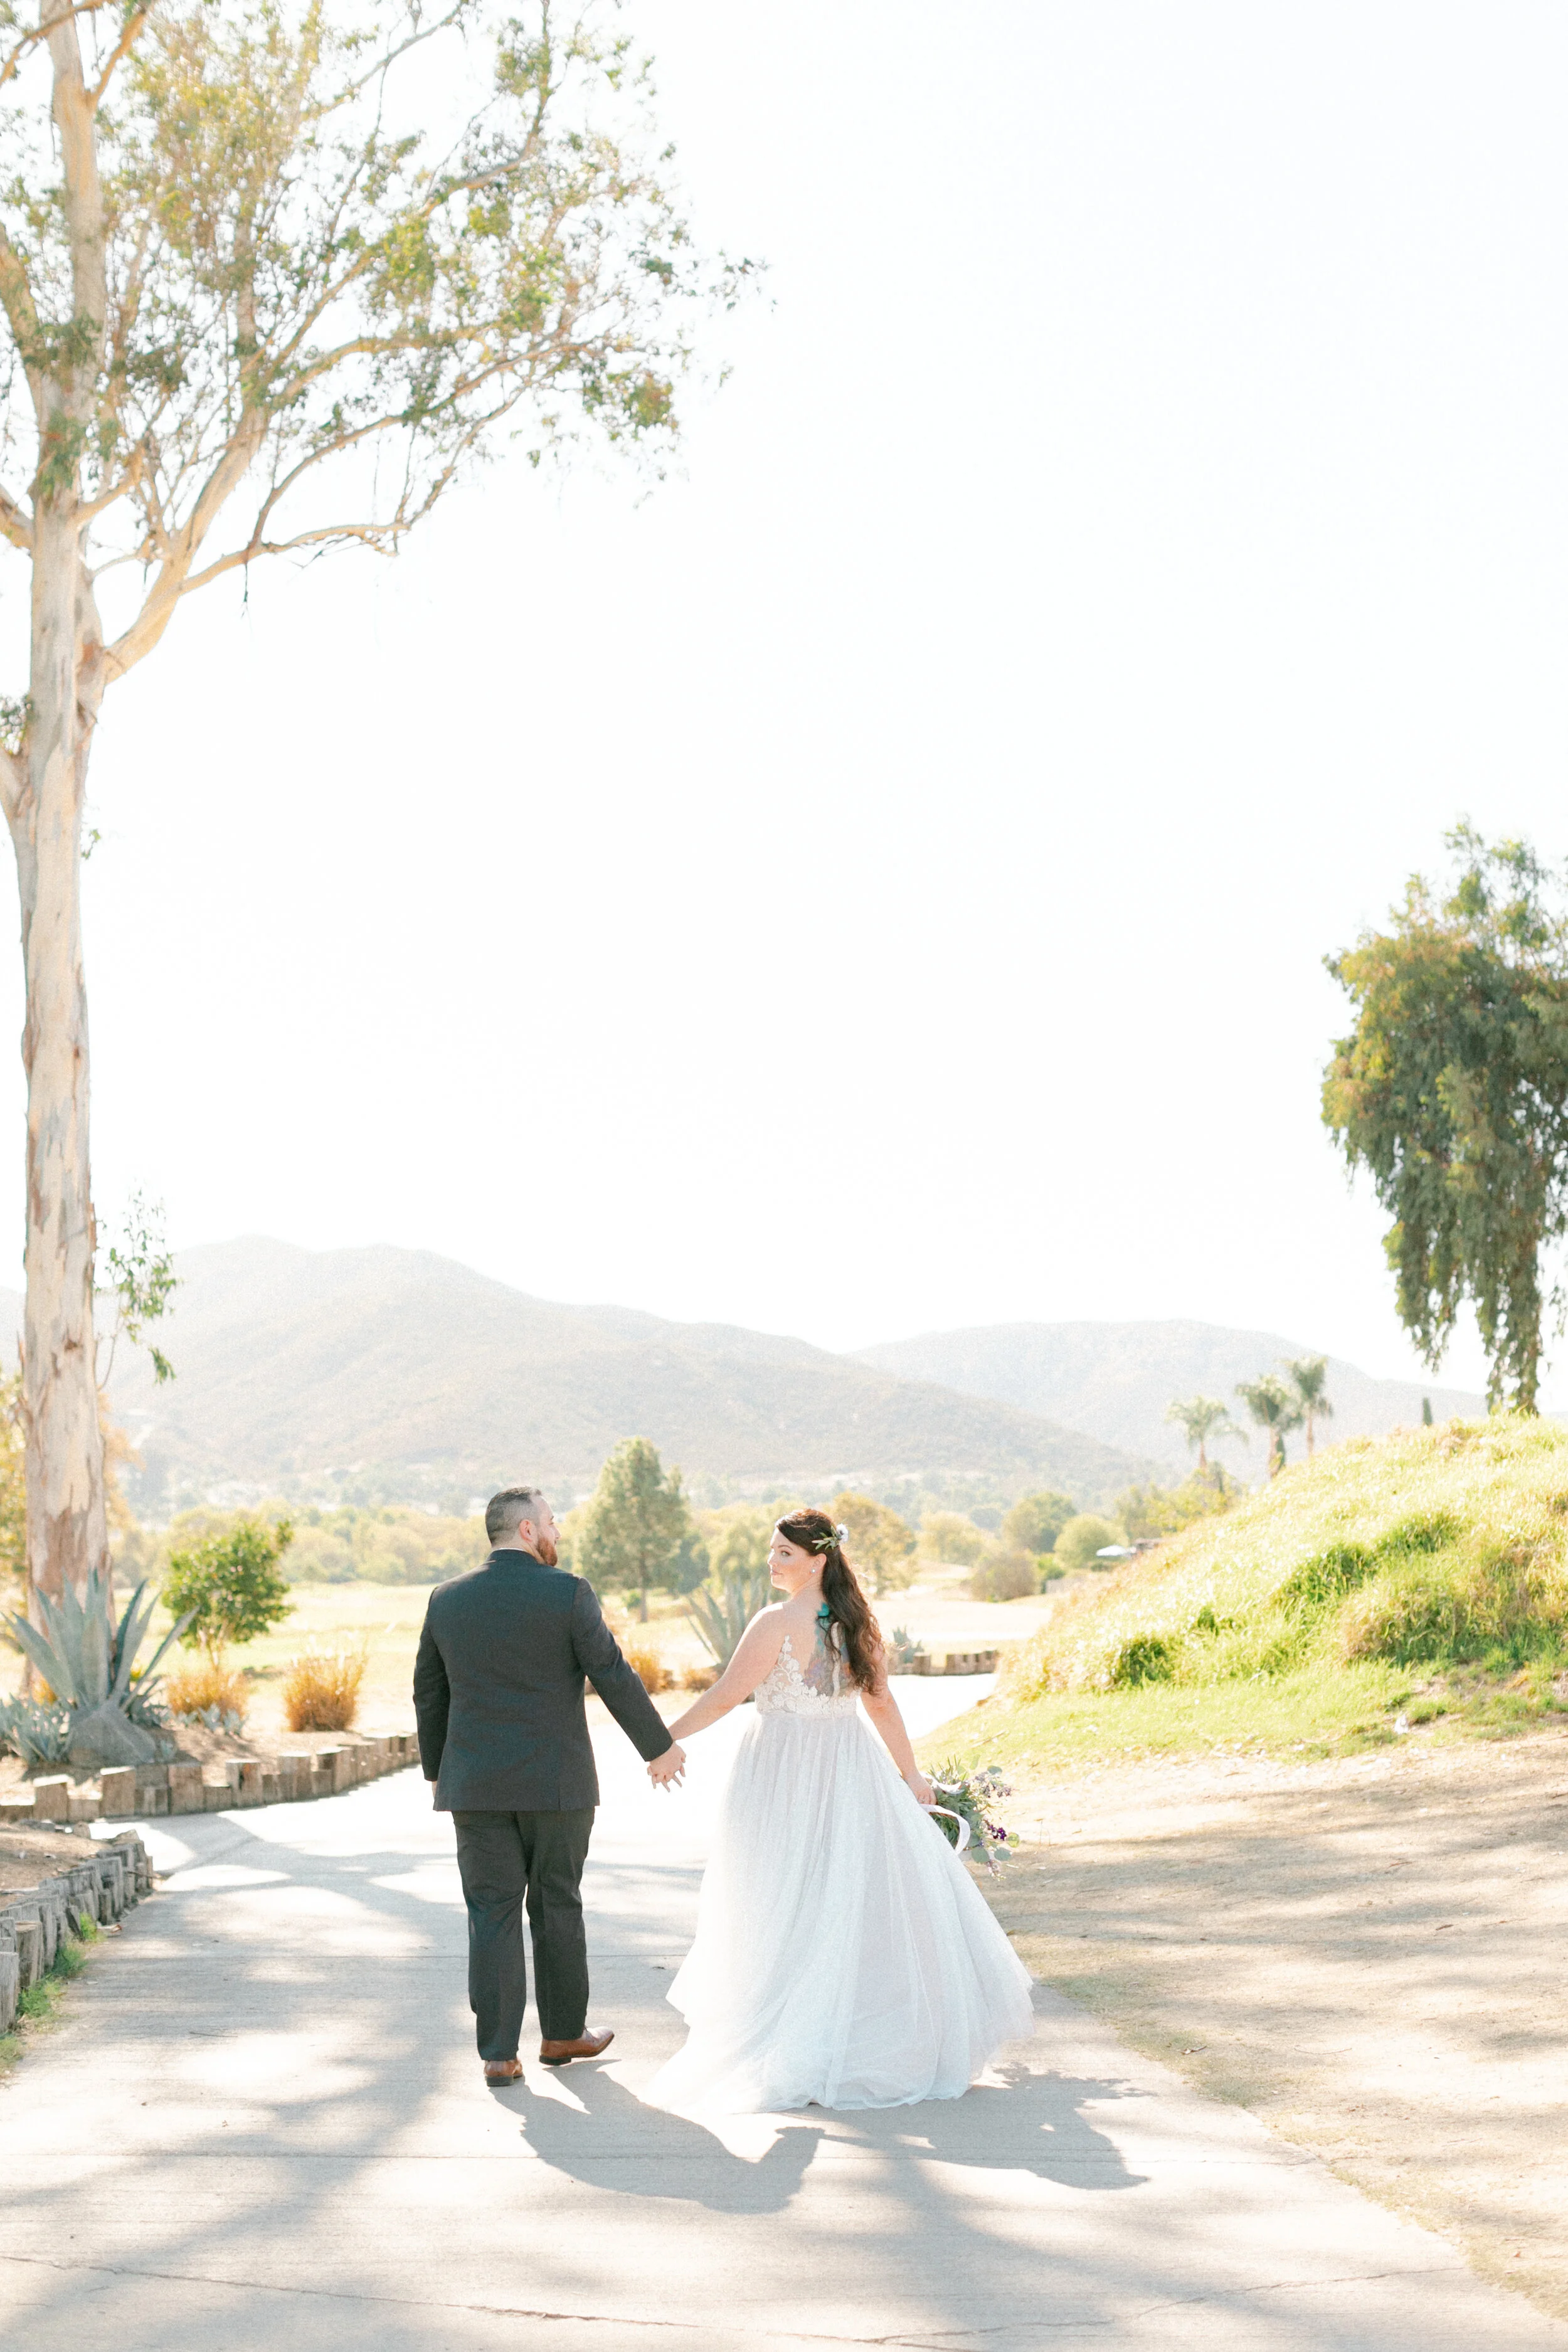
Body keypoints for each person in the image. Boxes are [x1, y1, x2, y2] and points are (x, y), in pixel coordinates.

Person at [642, 1506, 1034, 2114]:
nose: (772, 1562)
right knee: (837, 1890)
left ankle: (801, 2025)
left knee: (781, 1891)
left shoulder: (775, 1621)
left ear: (818, 1558)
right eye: (772, 1551)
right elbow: (879, 1706)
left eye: (784, 1554)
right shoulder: (855, 1620)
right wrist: (908, 1776)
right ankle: (840, 2021)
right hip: (847, 1765)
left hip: (781, 1771)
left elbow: (727, 1694)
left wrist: (663, 1741)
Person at [413, 1484, 686, 2085]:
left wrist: (441, 1772)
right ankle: (563, 2035)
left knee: (492, 1911)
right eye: (552, 1522)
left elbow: (429, 1692)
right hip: (556, 1785)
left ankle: (498, 2052)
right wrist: (659, 1747)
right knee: (557, 1901)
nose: (558, 1533)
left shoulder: (446, 1599)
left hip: (475, 1787)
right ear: (529, 1531)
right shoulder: (568, 1593)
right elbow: (611, 1672)